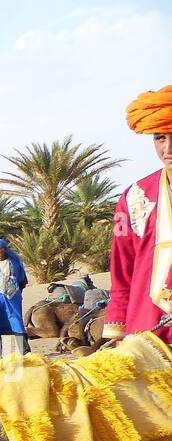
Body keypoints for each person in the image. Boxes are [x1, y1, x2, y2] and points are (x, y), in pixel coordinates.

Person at [104, 85, 172, 344]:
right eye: (159, 137)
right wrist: (115, 335)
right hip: (146, 336)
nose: (168, 148)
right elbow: (122, 273)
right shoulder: (133, 198)